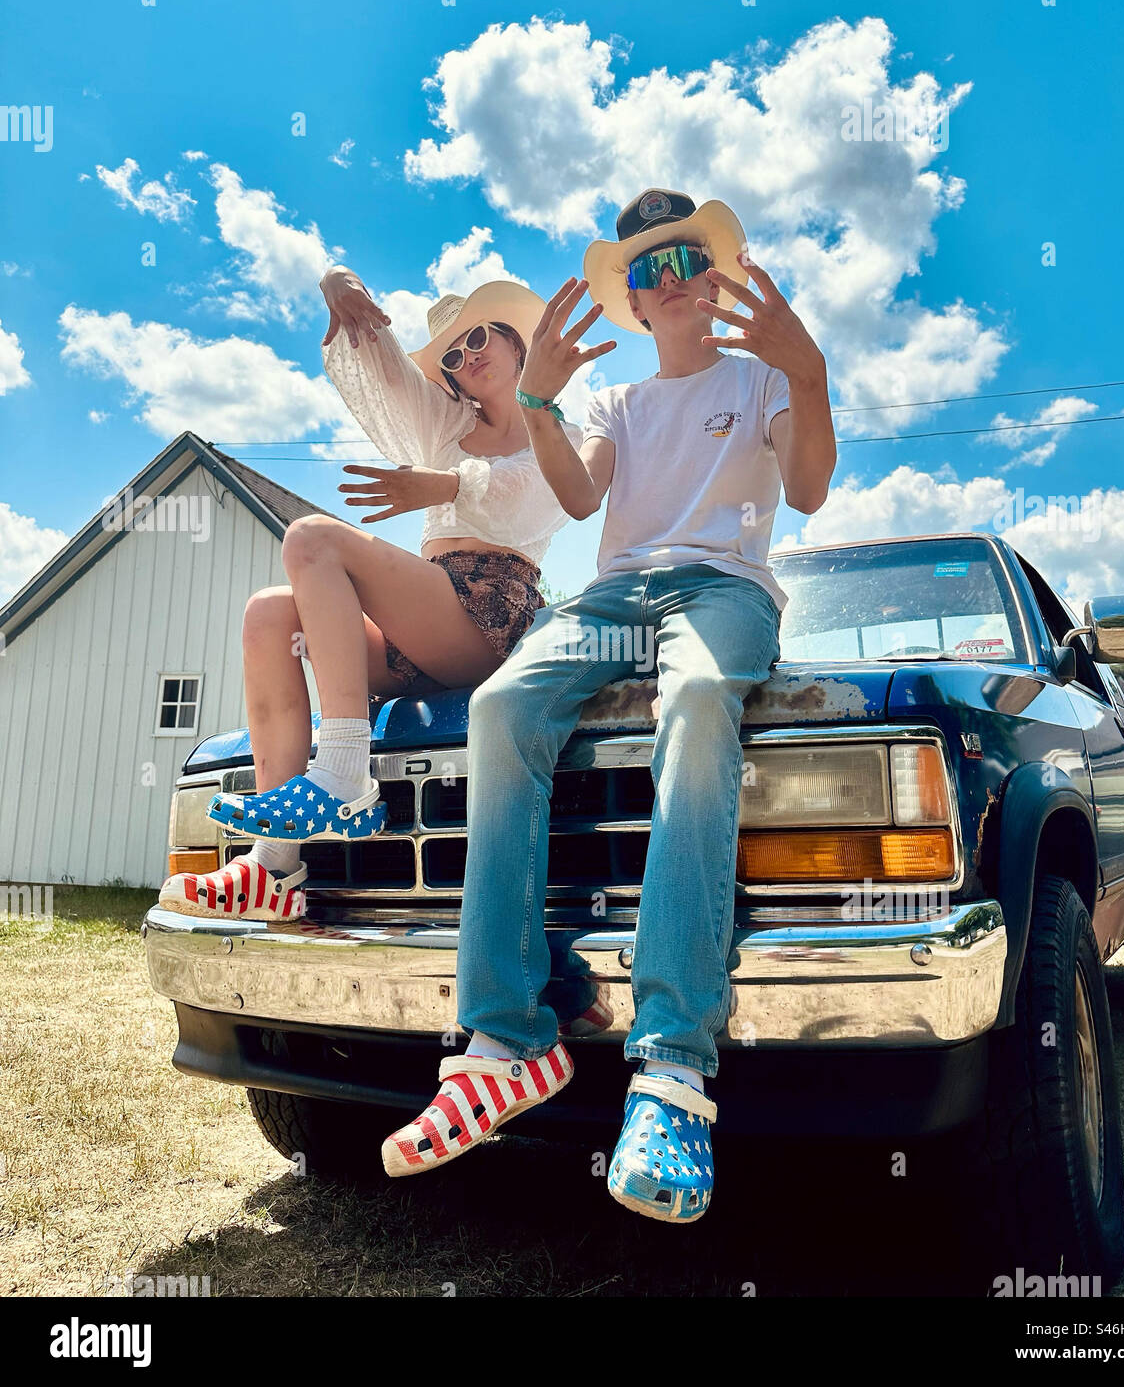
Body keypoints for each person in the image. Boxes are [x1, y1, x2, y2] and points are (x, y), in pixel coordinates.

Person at [381, 189, 837, 1223]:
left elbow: (806, 490)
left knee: (704, 696)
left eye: (684, 259)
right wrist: (538, 404)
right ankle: (503, 1040)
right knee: (500, 711)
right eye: (646, 270)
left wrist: (809, 374)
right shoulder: (618, 405)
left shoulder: (762, 376)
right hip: (615, 591)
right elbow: (582, 499)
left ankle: (673, 1068)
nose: (668, 280)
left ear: (714, 275)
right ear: (630, 298)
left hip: (722, 586)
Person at [157, 271, 578, 923]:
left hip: (490, 611)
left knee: (312, 539)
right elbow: (386, 378)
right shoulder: (445, 425)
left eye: (475, 339)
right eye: (452, 358)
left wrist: (442, 488)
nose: (467, 358)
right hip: (426, 613)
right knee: (269, 611)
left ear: (513, 339)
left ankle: (345, 770)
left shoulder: (556, 427)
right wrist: (341, 293)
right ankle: (274, 867)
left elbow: (533, 496)